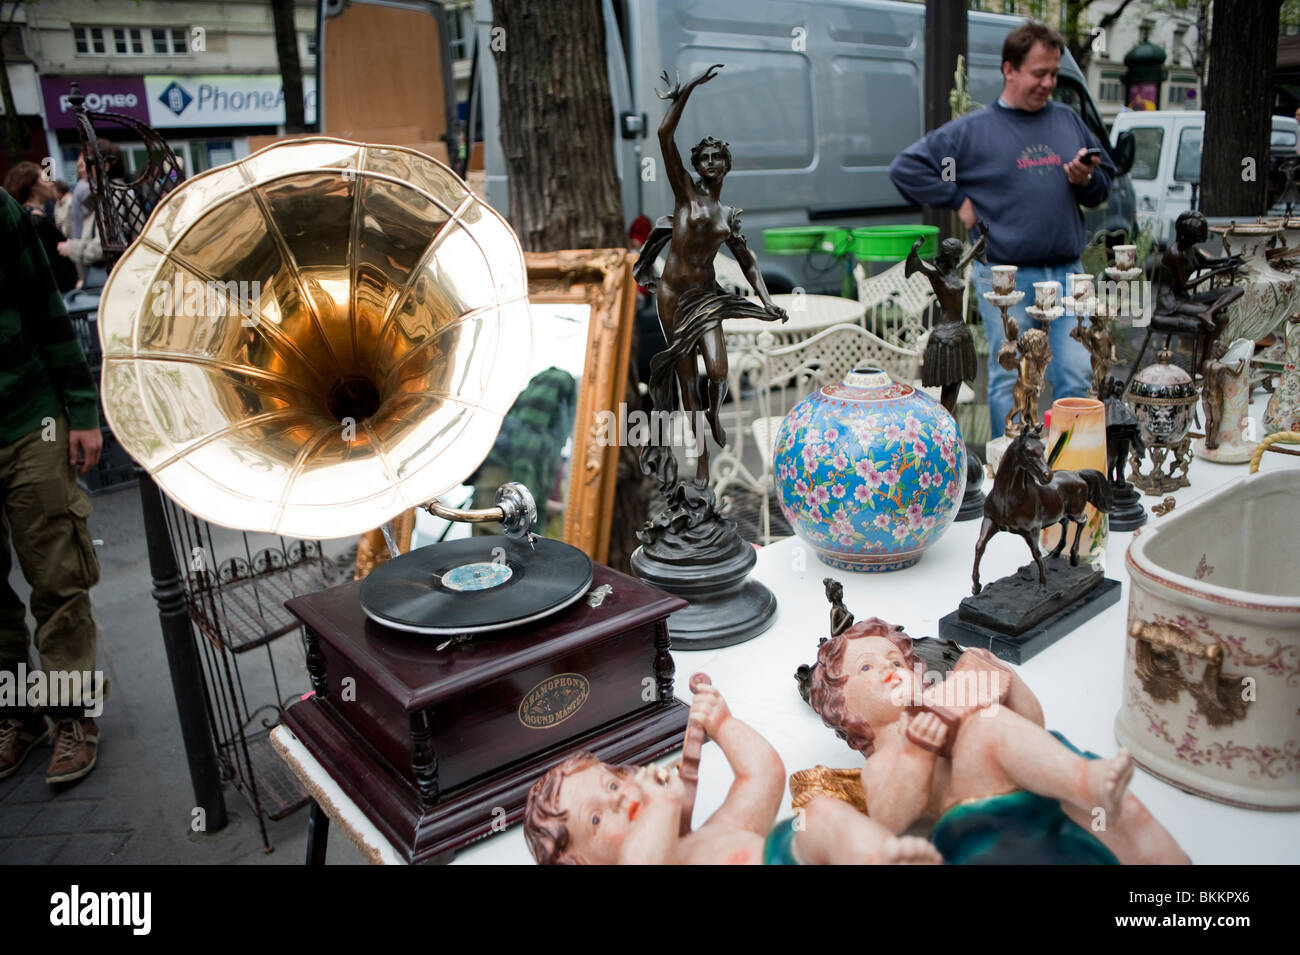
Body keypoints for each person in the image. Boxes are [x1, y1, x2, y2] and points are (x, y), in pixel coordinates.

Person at [889, 21, 1115, 439]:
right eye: (1039, 73)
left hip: (1068, 273)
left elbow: (1103, 185)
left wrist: (1085, 179)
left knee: (1074, 374)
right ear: (1009, 69)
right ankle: (1008, 479)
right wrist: (959, 199)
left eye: (1053, 74)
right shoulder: (974, 131)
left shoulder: (1067, 120)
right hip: (1007, 278)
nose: (1048, 83)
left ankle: (1072, 474)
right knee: (1012, 379)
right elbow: (905, 168)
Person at [806, 619, 1190, 864]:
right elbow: (889, 818)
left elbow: (1033, 724)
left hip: (1046, 784)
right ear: (844, 708)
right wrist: (916, 753)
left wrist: (1002, 678)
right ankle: (1085, 781)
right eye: (867, 668)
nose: (889, 670)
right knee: (985, 726)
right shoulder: (885, 758)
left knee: (1131, 819)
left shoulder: (951, 703)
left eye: (895, 661)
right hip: (988, 816)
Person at [523, 676, 941, 865]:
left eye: (612, 783)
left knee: (822, 814)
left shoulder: (714, 834)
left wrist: (723, 725)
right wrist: (661, 808)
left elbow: (763, 777)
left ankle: (880, 858)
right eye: (596, 818)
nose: (617, 798)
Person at [634, 64, 786, 488]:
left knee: (718, 372)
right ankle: (700, 470)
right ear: (697, 165)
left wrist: (766, 299)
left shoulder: (728, 215)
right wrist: (689, 90)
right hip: (673, 296)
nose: (711, 161)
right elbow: (665, 135)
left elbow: (747, 259)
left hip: (706, 296)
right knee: (687, 386)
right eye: (704, 157)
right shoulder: (686, 192)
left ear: (728, 164)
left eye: (718, 156)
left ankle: (714, 414)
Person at [0, 188, 104, 785]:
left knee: (56, 574)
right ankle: (15, 714)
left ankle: (72, 717)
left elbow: (45, 307)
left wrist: (82, 410)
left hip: (28, 417)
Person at [3, 162, 78, 293]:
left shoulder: (28, 217)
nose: (50, 183)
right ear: (33, 187)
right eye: (44, 179)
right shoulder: (35, 221)